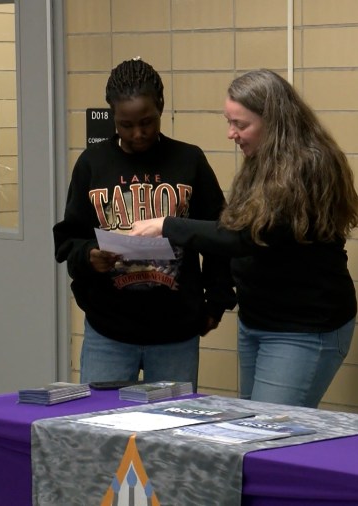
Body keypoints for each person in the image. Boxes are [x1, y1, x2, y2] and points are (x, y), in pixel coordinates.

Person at [131, 69, 358, 408]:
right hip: (259, 320)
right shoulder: (263, 159)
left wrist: (167, 225)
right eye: (229, 122)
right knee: (251, 430)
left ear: (274, 121)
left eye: (241, 125)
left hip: (303, 328)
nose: (232, 134)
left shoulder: (309, 164)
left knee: (270, 434)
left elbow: (246, 237)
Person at [53, 58, 236, 390]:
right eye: (125, 125)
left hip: (175, 331)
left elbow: (218, 237)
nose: (138, 133)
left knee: (169, 432)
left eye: (147, 122)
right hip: (108, 330)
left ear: (161, 108)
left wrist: (217, 303)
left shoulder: (189, 160)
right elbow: (69, 239)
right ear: (113, 118)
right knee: (100, 428)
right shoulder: (92, 163)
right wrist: (91, 255)